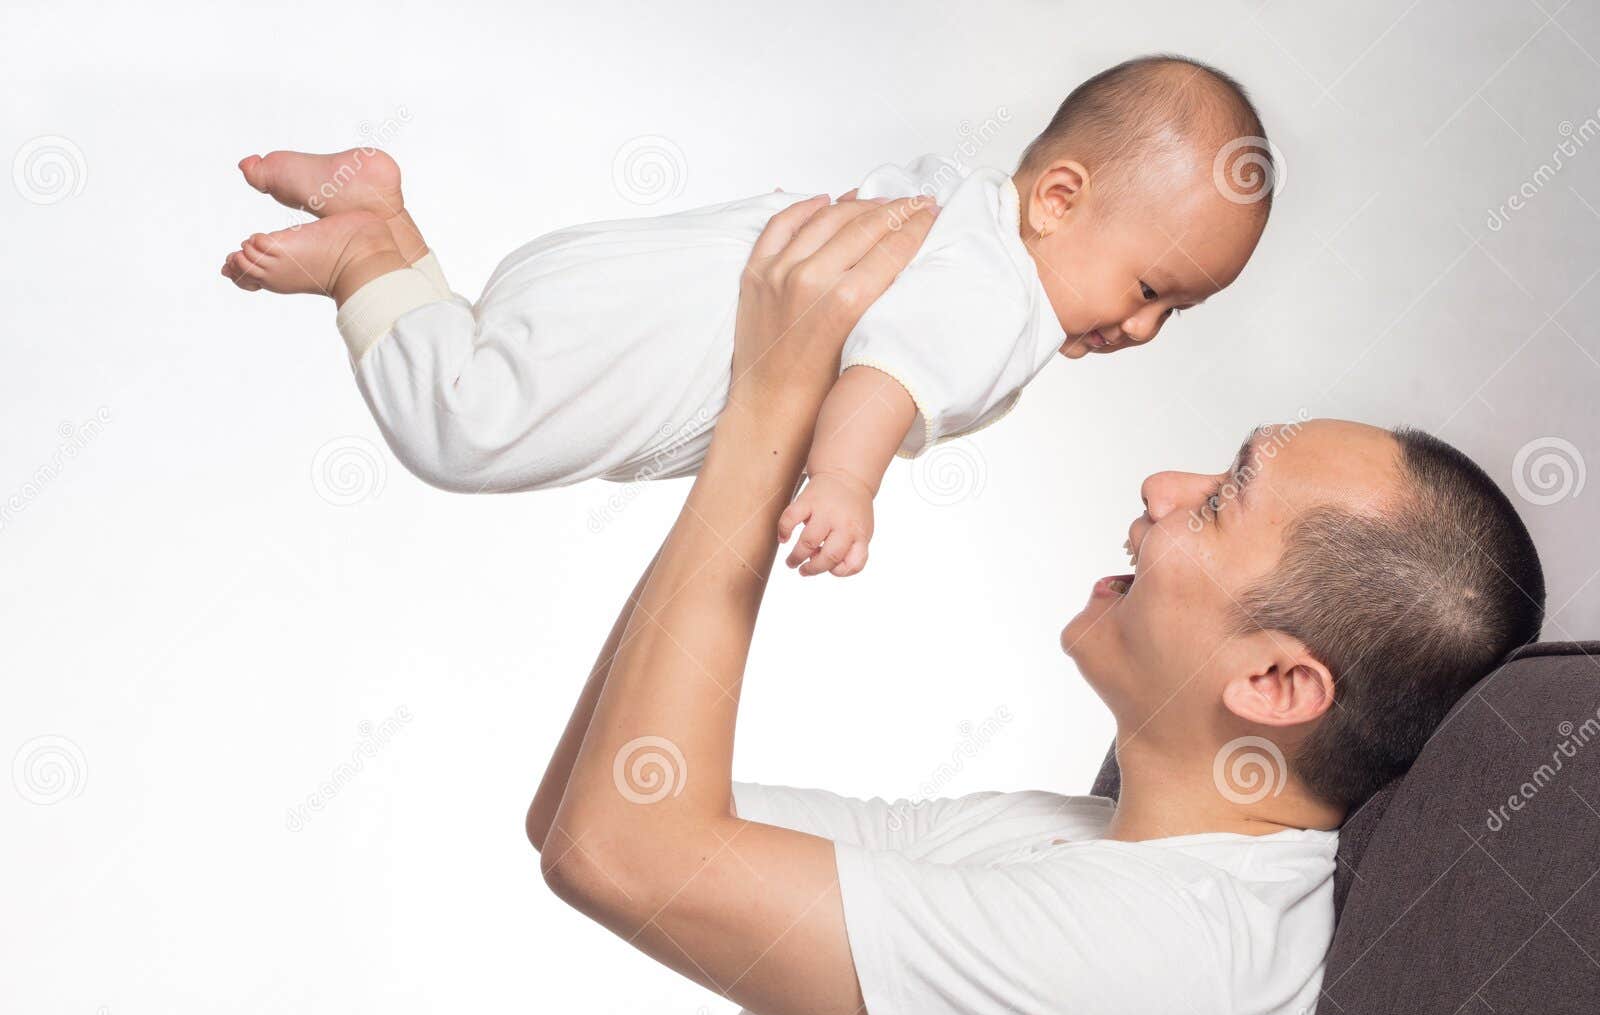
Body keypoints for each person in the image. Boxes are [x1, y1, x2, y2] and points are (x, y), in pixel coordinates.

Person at [284, 191, 1545, 1015]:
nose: (1164, 482)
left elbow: (621, 847)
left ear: (1275, 681)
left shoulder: (1175, 973)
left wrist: (776, 403)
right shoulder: (1065, 843)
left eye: (1220, 499)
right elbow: (595, 809)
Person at [223, 56, 1272, 577]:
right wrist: (846, 486)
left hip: (626, 277)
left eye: (1176, 312)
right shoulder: (1005, 303)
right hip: (669, 347)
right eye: (1147, 290)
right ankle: (363, 254)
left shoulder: (963, 206)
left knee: (476, 370)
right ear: (1059, 200)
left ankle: (385, 224)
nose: (1141, 331)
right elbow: (885, 377)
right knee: (463, 429)